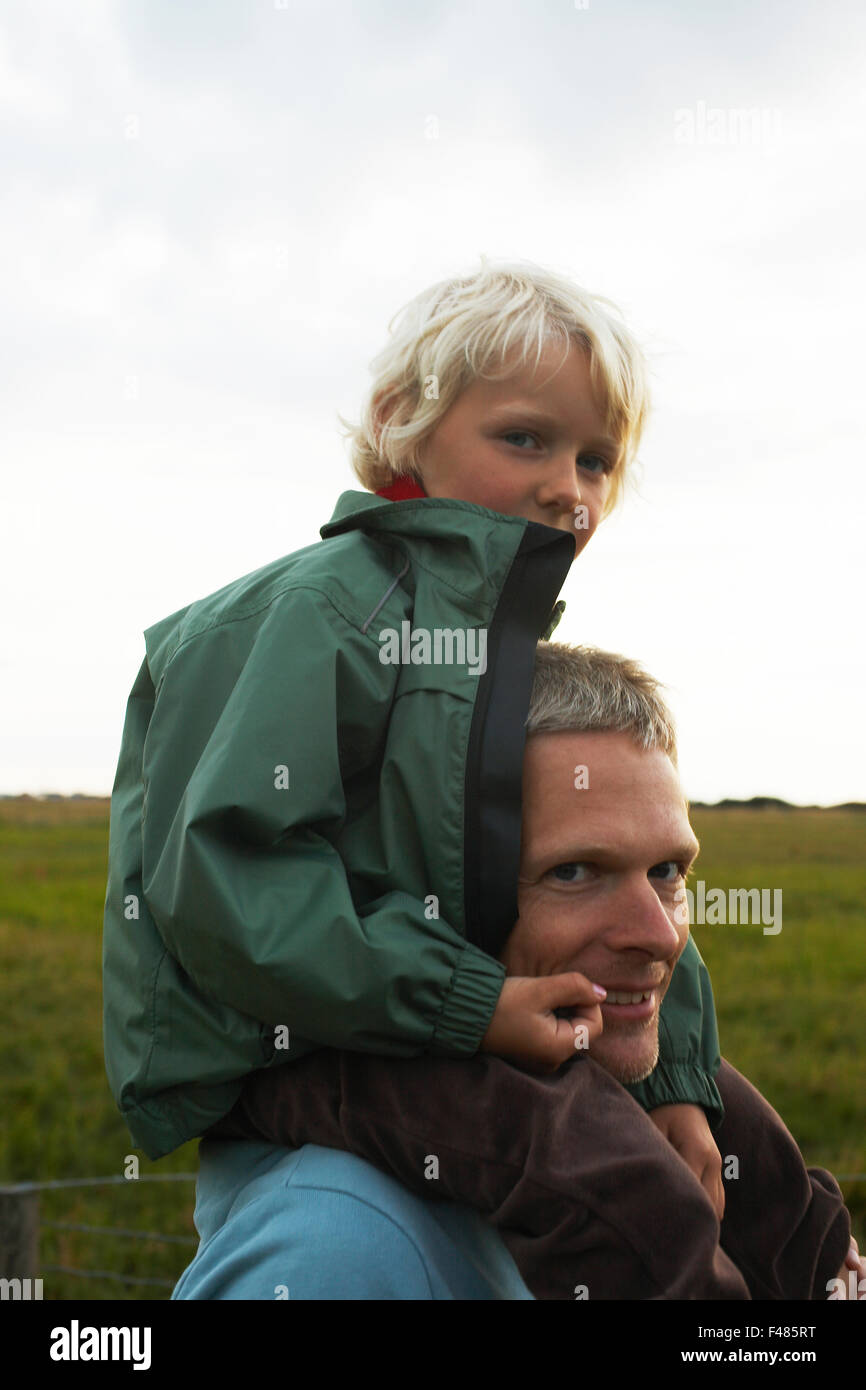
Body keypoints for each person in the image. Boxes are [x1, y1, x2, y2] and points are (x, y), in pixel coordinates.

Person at [103, 260, 722, 1228]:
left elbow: (615, 877)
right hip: (299, 1048)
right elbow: (226, 876)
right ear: (402, 420)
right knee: (610, 1184)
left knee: (748, 1157)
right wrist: (468, 1004)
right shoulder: (321, 613)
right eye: (524, 439)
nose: (567, 489)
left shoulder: (501, 649)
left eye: (597, 460)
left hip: (443, 1016)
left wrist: (673, 1080)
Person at [172, 643, 859, 1301]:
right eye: (573, 872)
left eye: (667, 871)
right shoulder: (338, 1252)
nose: (659, 935)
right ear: (431, 900)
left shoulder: (659, 1138)